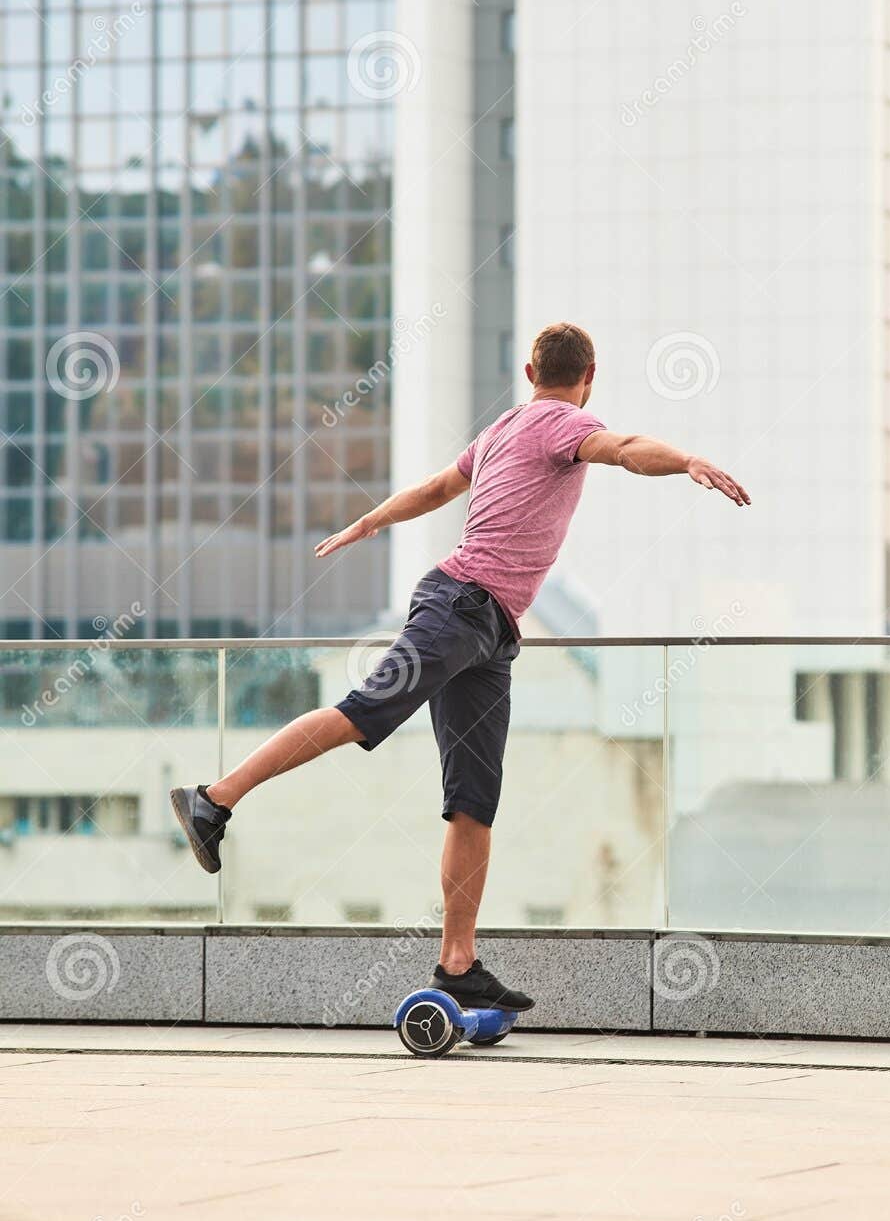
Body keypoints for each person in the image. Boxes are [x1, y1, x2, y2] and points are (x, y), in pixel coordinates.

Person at [170, 322, 749, 1010]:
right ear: (588, 374)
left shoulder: (505, 425)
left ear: (529, 370)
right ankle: (214, 800)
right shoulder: (564, 423)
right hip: (460, 609)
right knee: (361, 714)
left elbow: (438, 487)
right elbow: (622, 449)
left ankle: (457, 962)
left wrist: (371, 522)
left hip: (492, 631)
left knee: (473, 803)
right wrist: (686, 461)